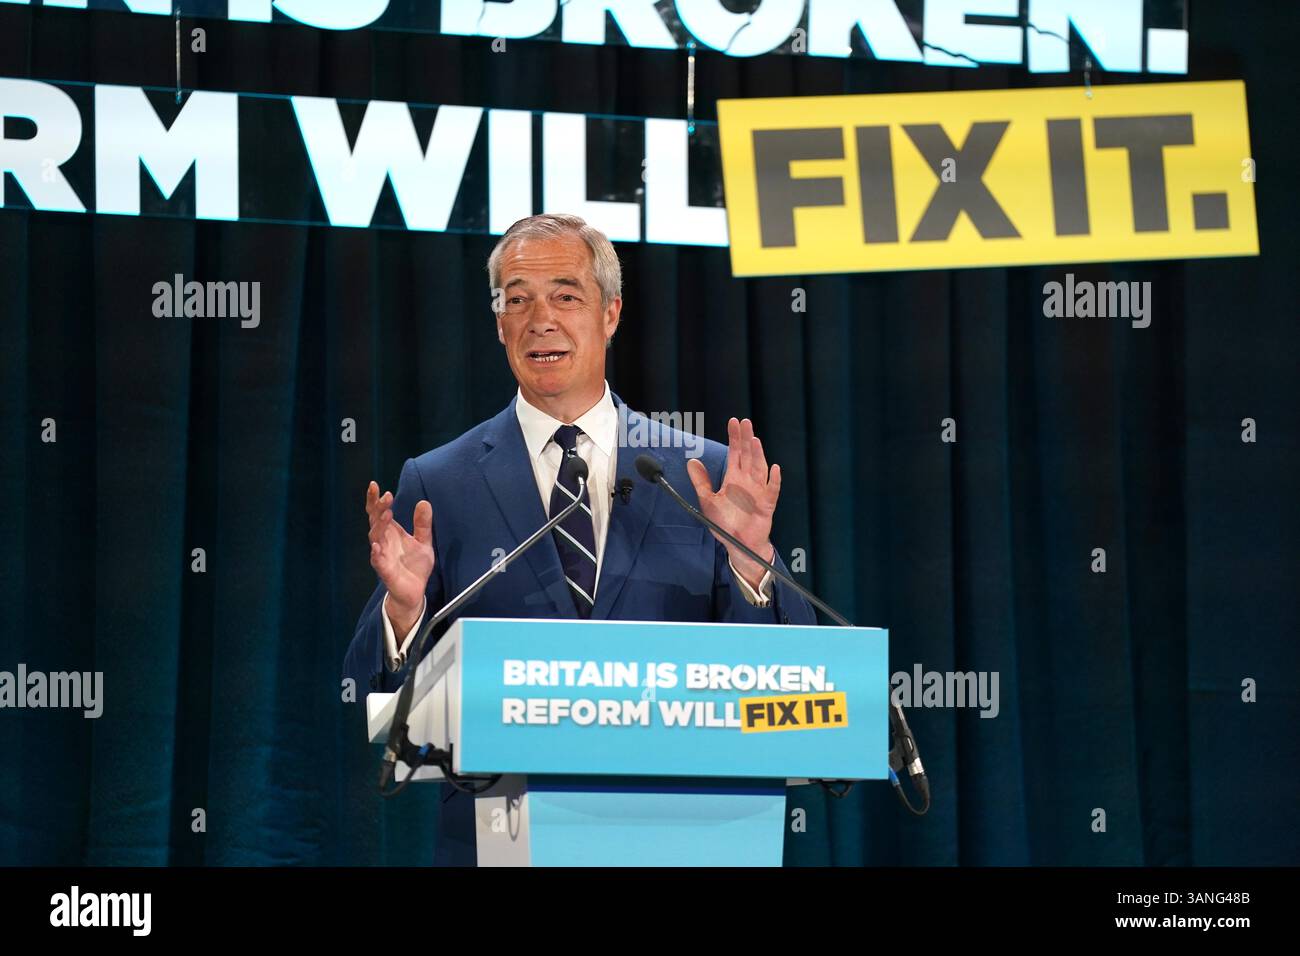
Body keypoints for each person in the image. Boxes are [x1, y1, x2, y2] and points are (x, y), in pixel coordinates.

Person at [343, 212, 815, 864]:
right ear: (499, 323)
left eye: (565, 295)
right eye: (518, 300)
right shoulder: (440, 480)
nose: (541, 318)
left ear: (611, 313)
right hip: (498, 835)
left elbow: (790, 679)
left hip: (687, 827)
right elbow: (372, 680)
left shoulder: (697, 473)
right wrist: (403, 609)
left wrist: (751, 564)